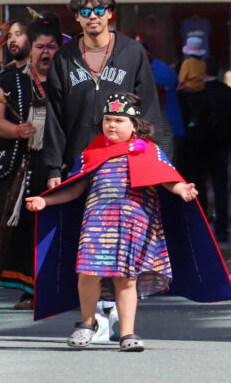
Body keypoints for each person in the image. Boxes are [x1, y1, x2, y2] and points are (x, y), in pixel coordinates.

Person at [25, 92, 231, 352]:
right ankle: (86, 324)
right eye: (108, 119)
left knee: (126, 279)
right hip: (96, 224)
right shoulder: (92, 153)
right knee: (88, 273)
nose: (111, 125)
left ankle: (127, 333)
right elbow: (75, 188)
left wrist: (182, 189)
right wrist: (47, 201)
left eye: (119, 120)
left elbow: (166, 177)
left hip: (134, 226)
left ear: (134, 126)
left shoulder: (149, 151)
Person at [43, 0, 162, 192]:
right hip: (78, 163)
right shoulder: (63, 57)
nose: (92, 16)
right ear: (77, 17)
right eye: (85, 11)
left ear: (109, 14)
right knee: (82, 223)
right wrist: (53, 168)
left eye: (99, 10)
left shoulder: (132, 51)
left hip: (123, 161)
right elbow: (54, 115)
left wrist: (144, 153)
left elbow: (148, 105)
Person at [0, 15, 62, 306]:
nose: (45, 53)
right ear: (31, 49)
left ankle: (60, 286)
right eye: (40, 46)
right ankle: (30, 289)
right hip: (24, 165)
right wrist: (18, 130)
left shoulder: (68, 80)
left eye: (52, 47)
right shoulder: (11, 80)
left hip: (59, 165)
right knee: (25, 227)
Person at [179, 57, 231, 242]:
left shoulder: (192, 92)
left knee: (199, 185)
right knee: (220, 189)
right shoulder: (226, 91)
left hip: (199, 146)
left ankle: (202, 226)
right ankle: (222, 229)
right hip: (221, 147)